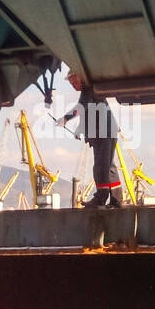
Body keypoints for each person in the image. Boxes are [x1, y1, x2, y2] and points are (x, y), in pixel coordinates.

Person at [58, 72, 123, 208]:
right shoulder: (92, 90)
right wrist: (79, 129)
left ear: (80, 77)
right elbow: (89, 112)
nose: (73, 86)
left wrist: (66, 118)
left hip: (103, 133)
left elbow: (82, 107)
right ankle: (116, 199)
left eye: (74, 82)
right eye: (71, 84)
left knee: (100, 167)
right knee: (108, 166)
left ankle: (100, 198)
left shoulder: (88, 88)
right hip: (107, 131)